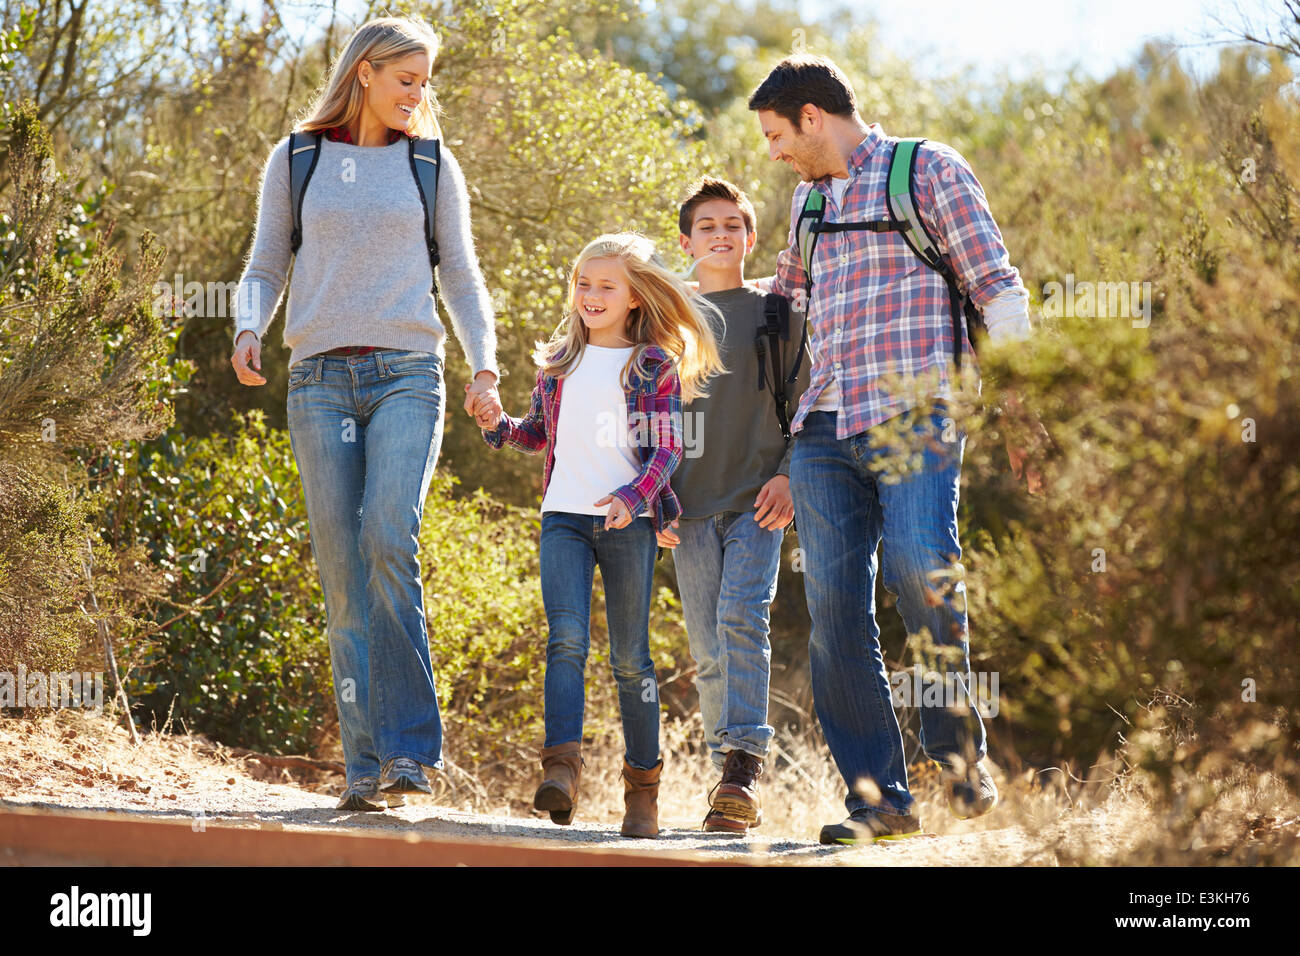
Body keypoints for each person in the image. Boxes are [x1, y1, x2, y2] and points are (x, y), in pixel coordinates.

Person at [748, 54, 1033, 844]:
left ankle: (960, 753)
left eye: (777, 134)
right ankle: (881, 802)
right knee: (835, 610)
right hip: (824, 430)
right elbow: (784, 304)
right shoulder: (807, 203)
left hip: (916, 417)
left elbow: (997, 289)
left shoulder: (926, 169)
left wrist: (1026, 410)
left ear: (813, 117)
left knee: (919, 566)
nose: (773, 152)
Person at [229, 16, 502, 811]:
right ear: (364, 75)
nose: (420, 94)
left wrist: (484, 358)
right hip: (316, 380)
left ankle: (411, 754)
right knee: (344, 579)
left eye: (426, 81)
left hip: (407, 374)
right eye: (407, 79)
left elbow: (461, 271)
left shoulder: (431, 163)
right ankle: (363, 766)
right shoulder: (299, 157)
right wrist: (249, 324)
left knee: (389, 534)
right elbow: (265, 259)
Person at [473, 233, 723, 837]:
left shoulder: (652, 364)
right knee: (565, 641)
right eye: (584, 283)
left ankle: (642, 791)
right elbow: (538, 433)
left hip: (628, 524)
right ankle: (561, 769)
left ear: (636, 296)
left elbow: (666, 450)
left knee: (631, 660)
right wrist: (497, 426)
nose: (591, 295)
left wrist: (632, 499)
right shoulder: (559, 359)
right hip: (562, 518)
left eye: (606, 285)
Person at [654, 177, 808, 832]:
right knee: (709, 645)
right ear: (685, 241)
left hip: (756, 499)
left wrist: (792, 475)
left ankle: (743, 763)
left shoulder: (776, 311)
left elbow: (808, 404)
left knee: (743, 617)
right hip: (686, 508)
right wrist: (650, 493)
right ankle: (728, 782)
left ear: (750, 237)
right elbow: (644, 416)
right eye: (707, 225)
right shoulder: (665, 319)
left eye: (732, 224)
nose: (721, 234)